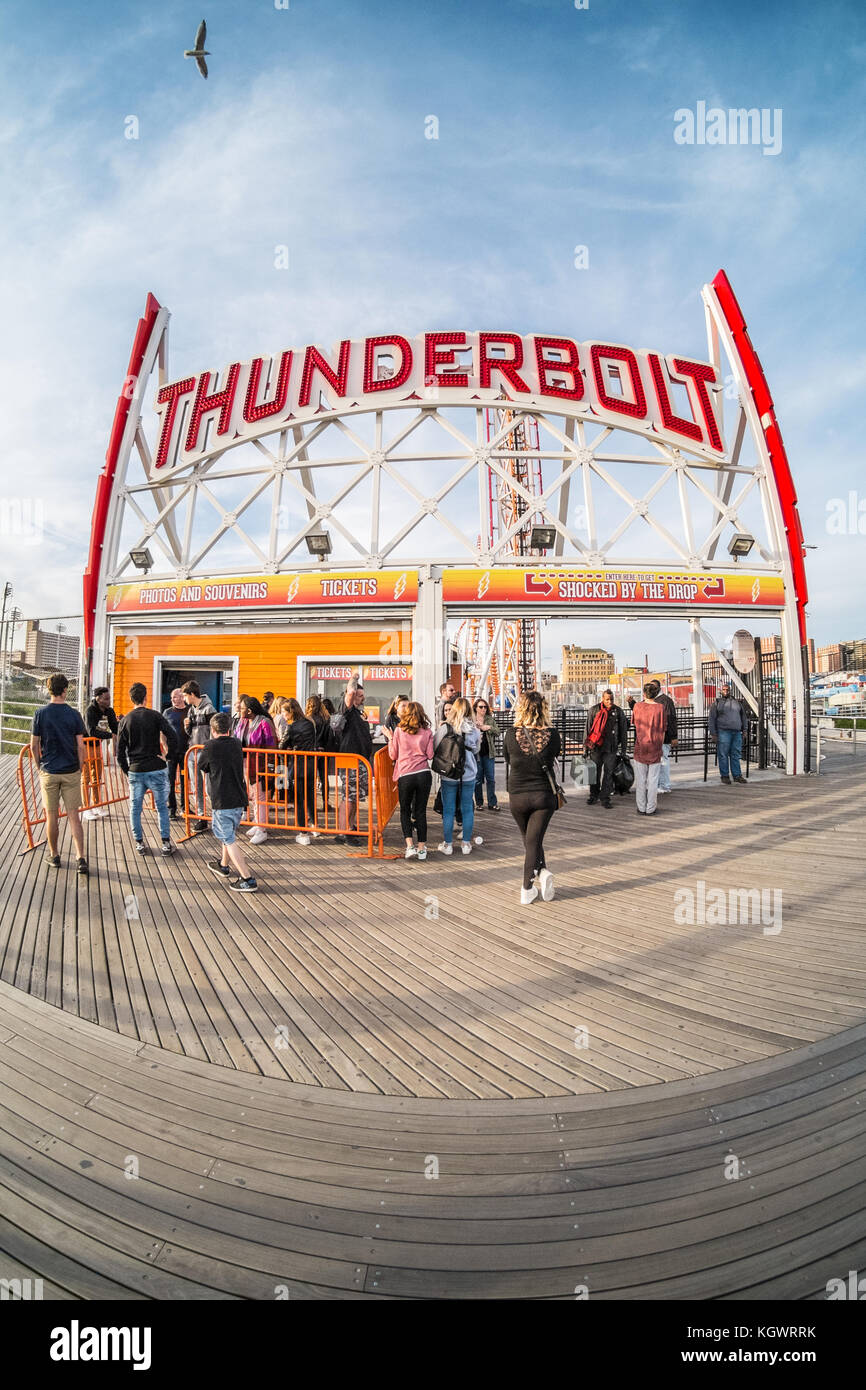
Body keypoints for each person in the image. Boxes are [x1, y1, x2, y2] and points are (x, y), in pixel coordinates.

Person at [503, 691, 561, 904]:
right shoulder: (553, 734)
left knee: (530, 841)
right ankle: (532, 883)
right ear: (543, 709)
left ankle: (535, 881)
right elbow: (556, 753)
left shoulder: (511, 734)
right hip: (543, 796)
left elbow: (507, 758)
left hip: (517, 796)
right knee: (533, 841)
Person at [31, 672, 89, 874]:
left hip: (49, 770)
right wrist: (80, 767)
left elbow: (34, 745)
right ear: (66, 690)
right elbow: (81, 746)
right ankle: (81, 858)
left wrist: (40, 767)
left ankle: (54, 856)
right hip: (71, 770)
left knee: (51, 816)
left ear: (49, 690)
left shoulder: (40, 714)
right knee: (74, 817)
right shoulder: (74, 714)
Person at [198, 712, 258, 892]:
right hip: (238, 797)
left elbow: (203, 766)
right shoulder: (236, 743)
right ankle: (223, 865)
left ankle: (247, 878)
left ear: (213, 730)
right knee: (228, 833)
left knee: (229, 838)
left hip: (222, 798)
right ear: (230, 729)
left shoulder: (210, 746)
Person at [117, 682, 178, 854]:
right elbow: (172, 736)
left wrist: (126, 770)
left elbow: (120, 751)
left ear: (131, 699)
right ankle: (166, 843)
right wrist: (169, 756)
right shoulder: (156, 716)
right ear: (146, 697)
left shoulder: (125, 720)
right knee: (161, 807)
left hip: (136, 770)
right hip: (156, 767)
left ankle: (139, 843)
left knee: (135, 809)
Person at [433, 696, 480, 855]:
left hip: (450, 774)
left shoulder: (445, 728)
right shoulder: (474, 729)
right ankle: (466, 844)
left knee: (448, 809)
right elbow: (476, 750)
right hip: (468, 774)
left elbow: (435, 746)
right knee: (467, 809)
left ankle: (448, 845)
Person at [387, 700, 434, 860]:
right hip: (423, 773)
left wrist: (390, 739)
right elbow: (430, 755)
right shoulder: (427, 731)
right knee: (420, 811)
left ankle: (410, 846)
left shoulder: (399, 731)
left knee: (405, 810)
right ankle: (422, 848)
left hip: (405, 774)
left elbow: (393, 755)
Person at [330, 680, 373, 847]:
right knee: (349, 796)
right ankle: (344, 831)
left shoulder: (357, 712)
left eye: (362, 696)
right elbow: (349, 693)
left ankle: (349, 827)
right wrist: (354, 678)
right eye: (359, 695)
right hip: (350, 761)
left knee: (353, 797)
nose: (362, 698)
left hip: (359, 761)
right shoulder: (346, 709)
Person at [235, 695, 277, 844]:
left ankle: (262, 828)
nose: (239, 709)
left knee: (260, 796)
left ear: (250, 710)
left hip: (260, 764)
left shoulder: (264, 722)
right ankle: (257, 822)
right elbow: (236, 738)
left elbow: (272, 745)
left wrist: (270, 767)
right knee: (253, 795)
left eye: (242, 707)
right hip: (247, 763)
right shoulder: (243, 722)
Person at [279, 697, 320, 845]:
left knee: (298, 800)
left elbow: (282, 746)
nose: (283, 715)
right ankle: (314, 825)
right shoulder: (310, 723)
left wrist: (290, 747)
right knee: (310, 797)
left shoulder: (292, 727)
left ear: (291, 712)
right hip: (310, 764)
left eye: (284, 712)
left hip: (297, 766)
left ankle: (303, 833)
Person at [583, 689, 628, 809]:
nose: (610, 702)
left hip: (611, 748)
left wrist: (623, 749)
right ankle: (594, 795)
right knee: (594, 773)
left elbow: (623, 731)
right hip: (596, 747)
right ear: (602, 699)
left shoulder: (618, 711)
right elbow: (588, 729)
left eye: (612, 699)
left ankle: (605, 798)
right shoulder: (594, 710)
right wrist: (585, 748)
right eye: (607, 699)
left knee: (608, 774)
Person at [182, 680, 217, 830]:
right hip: (192, 752)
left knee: (209, 787)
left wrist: (210, 752)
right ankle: (201, 817)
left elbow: (214, 733)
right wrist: (187, 726)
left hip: (205, 753)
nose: (184, 699)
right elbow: (190, 733)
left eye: (185, 695)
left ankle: (216, 816)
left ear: (191, 694)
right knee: (196, 787)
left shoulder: (209, 709)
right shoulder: (191, 710)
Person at [82, 685, 118, 818]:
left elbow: (115, 727)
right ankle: (86, 808)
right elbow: (91, 731)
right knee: (86, 778)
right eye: (106, 698)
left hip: (97, 745)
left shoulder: (109, 711)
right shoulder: (90, 711)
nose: (109, 700)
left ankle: (96, 805)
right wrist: (110, 736)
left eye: (109, 698)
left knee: (97, 777)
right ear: (98, 699)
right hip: (85, 745)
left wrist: (123, 725)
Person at [631, 683, 666, 815]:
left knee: (641, 780)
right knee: (653, 780)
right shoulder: (660, 708)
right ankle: (651, 808)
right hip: (655, 747)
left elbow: (635, 725)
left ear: (644, 693)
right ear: (656, 694)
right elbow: (663, 729)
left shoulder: (637, 706)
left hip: (641, 746)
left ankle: (641, 807)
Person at [709, 682, 749, 785]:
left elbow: (743, 717)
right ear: (720, 691)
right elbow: (712, 719)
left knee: (735, 754)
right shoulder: (716, 703)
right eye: (724, 689)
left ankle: (737, 775)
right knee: (723, 755)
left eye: (727, 689)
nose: (726, 691)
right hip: (723, 732)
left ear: (730, 690)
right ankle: (725, 776)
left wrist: (745, 729)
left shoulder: (737, 703)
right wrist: (713, 734)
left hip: (736, 733)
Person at [162, 687, 189, 818]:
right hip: (172, 753)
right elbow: (162, 732)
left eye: (175, 696)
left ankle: (185, 808)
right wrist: (166, 748)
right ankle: (171, 808)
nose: (172, 699)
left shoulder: (190, 711)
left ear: (182, 697)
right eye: (172, 697)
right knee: (170, 781)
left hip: (186, 753)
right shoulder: (167, 712)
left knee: (185, 781)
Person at [648, 680, 678, 794]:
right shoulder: (654, 699)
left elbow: (671, 719)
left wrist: (674, 736)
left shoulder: (665, 701)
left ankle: (664, 785)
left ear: (658, 688)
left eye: (653, 687)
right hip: (656, 736)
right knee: (659, 761)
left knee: (663, 761)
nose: (651, 689)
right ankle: (660, 784)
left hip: (663, 737)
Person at [472, 698, 500, 811]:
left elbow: (497, 732)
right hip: (477, 753)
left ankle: (492, 802)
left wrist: (487, 727)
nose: (483, 709)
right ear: (476, 708)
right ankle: (479, 803)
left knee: (491, 778)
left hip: (489, 753)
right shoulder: (471, 719)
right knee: (477, 778)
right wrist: (476, 728)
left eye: (485, 707)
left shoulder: (489, 719)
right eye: (481, 707)